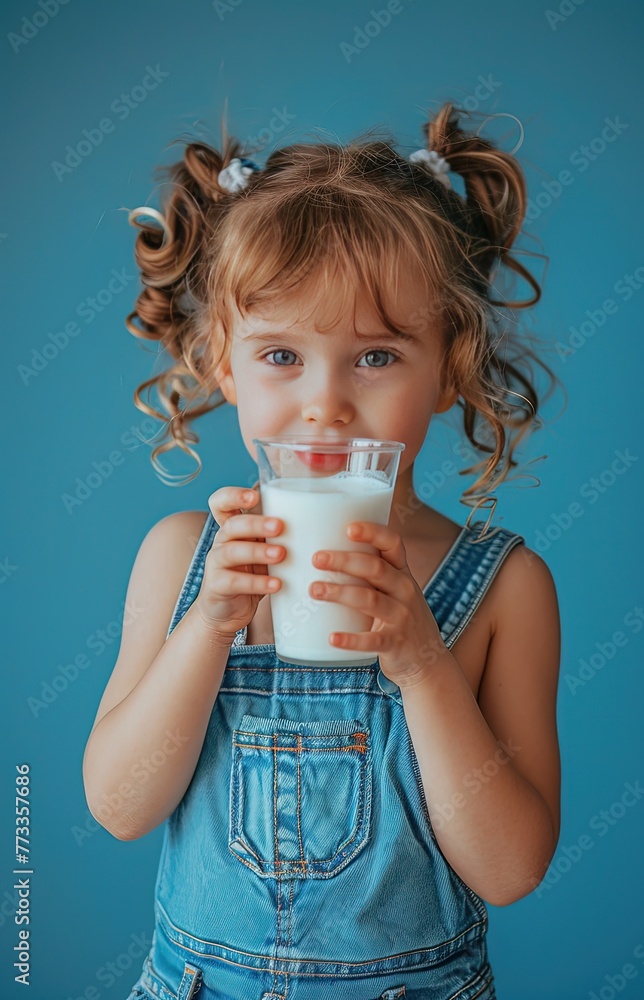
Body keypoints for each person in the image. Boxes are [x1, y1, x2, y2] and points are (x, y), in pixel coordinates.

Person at [83, 99, 563, 1000]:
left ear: (449, 361)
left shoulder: (504, 589)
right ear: (224, 362)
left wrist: (423, 664)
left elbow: (510, 870)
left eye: (376, 357)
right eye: (279, 356)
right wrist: (208, 627)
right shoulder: (181, 556)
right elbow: (119, 806)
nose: (326, 405)